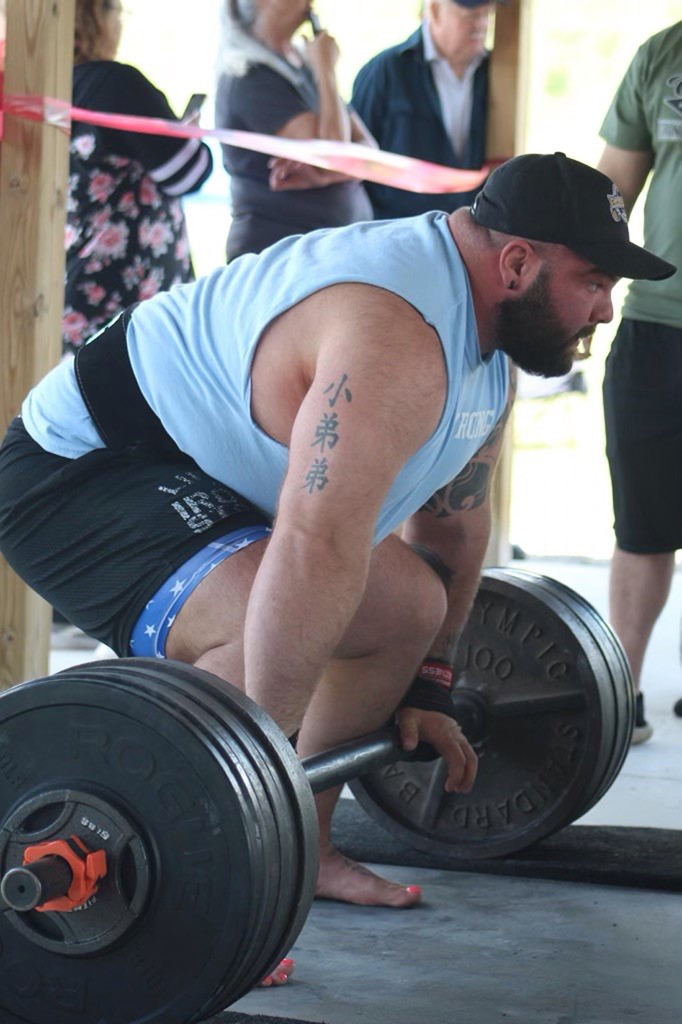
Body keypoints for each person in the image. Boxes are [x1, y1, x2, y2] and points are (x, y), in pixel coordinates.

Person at [0, 154, 674, 919]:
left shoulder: (486, 354)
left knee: (406, 608)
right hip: (84, 470)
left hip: (214, 480)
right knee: (268, 636)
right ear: (517, 263)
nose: (606, 311)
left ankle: (306, 856)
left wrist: (431, 681)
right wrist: (257, 779)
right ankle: (144, 865)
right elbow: (316, 547)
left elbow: (451, 527)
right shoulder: (396, 336)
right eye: (594, 282)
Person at [597, 22, 682, 743]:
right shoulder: (663, 54)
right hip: (656, 327)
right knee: (643, 526)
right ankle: (620, 692)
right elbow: (611, 193)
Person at [63, 0, 213, 355]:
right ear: (97, 16)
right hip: (129, 302)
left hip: (70, 290)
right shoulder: (117, 84)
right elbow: (187, 173)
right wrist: (188, 138)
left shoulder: (46, 89)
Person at [215, 0, 375, 261]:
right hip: (283, 257)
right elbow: (335, 154)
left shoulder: (299, 62)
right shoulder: (251, 77)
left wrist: (326, 176)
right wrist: (326, 71)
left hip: (324, 252)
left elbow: (369, 150)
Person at [351, 0, 493, 220]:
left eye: (487, 14)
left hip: (468, 238)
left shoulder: (498, 75)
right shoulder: (384, 72)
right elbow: (354, 164)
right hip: (395, 234)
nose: (481, 25)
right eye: (470, 15)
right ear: (435, 10)